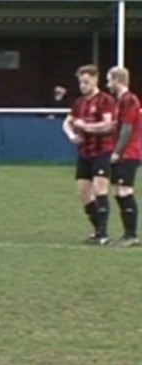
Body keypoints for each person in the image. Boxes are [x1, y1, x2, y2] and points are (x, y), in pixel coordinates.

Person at [63, 64, 117, 244]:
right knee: (83, 193)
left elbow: (108, 125)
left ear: (95, 79)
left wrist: (85, 127)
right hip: (84, 152)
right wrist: (71, 135)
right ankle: (97, 229)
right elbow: (67, 122)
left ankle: (103, 233)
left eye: (86, 81)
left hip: (102, 151)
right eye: (81, 82)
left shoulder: (105, 100)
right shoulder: (79, 103)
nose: (83, 85)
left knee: (100, 190)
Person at [107, 66, 140, 246]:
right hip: (123, 153)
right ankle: (128, 233)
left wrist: (117, 152)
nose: (108, 84)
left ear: (117, 80)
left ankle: (132, 235)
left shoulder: (129, 100)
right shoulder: (120, 101)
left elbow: (127, 129)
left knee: (125, 191)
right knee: (119, 193)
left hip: (129, 153)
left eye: (109, 80)